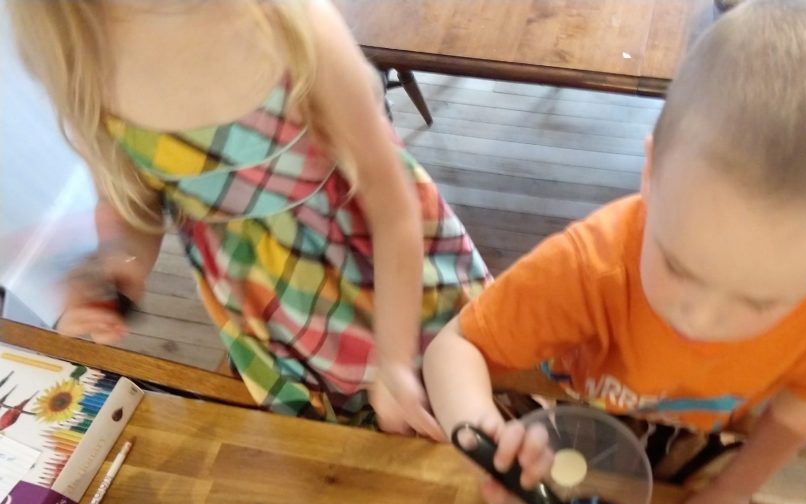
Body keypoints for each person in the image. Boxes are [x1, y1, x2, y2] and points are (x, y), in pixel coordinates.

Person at [424, 0, 806, 504]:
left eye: (760, 301)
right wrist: (481, 433)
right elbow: (453, 348)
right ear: (650, 171)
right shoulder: (591, 265)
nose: (700, 318)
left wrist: (735, 491)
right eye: (680, 267)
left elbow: (801, 410)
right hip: (571, 408)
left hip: (698, 433)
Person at [7, 0, 489, 437]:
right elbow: (133, 206)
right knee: (343, 446)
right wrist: (118, 268)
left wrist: (395, 362)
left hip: (389, 279)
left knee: (466, 408)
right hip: (267, 309)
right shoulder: (84, 60)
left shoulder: (296, 28)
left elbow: (394, 208)